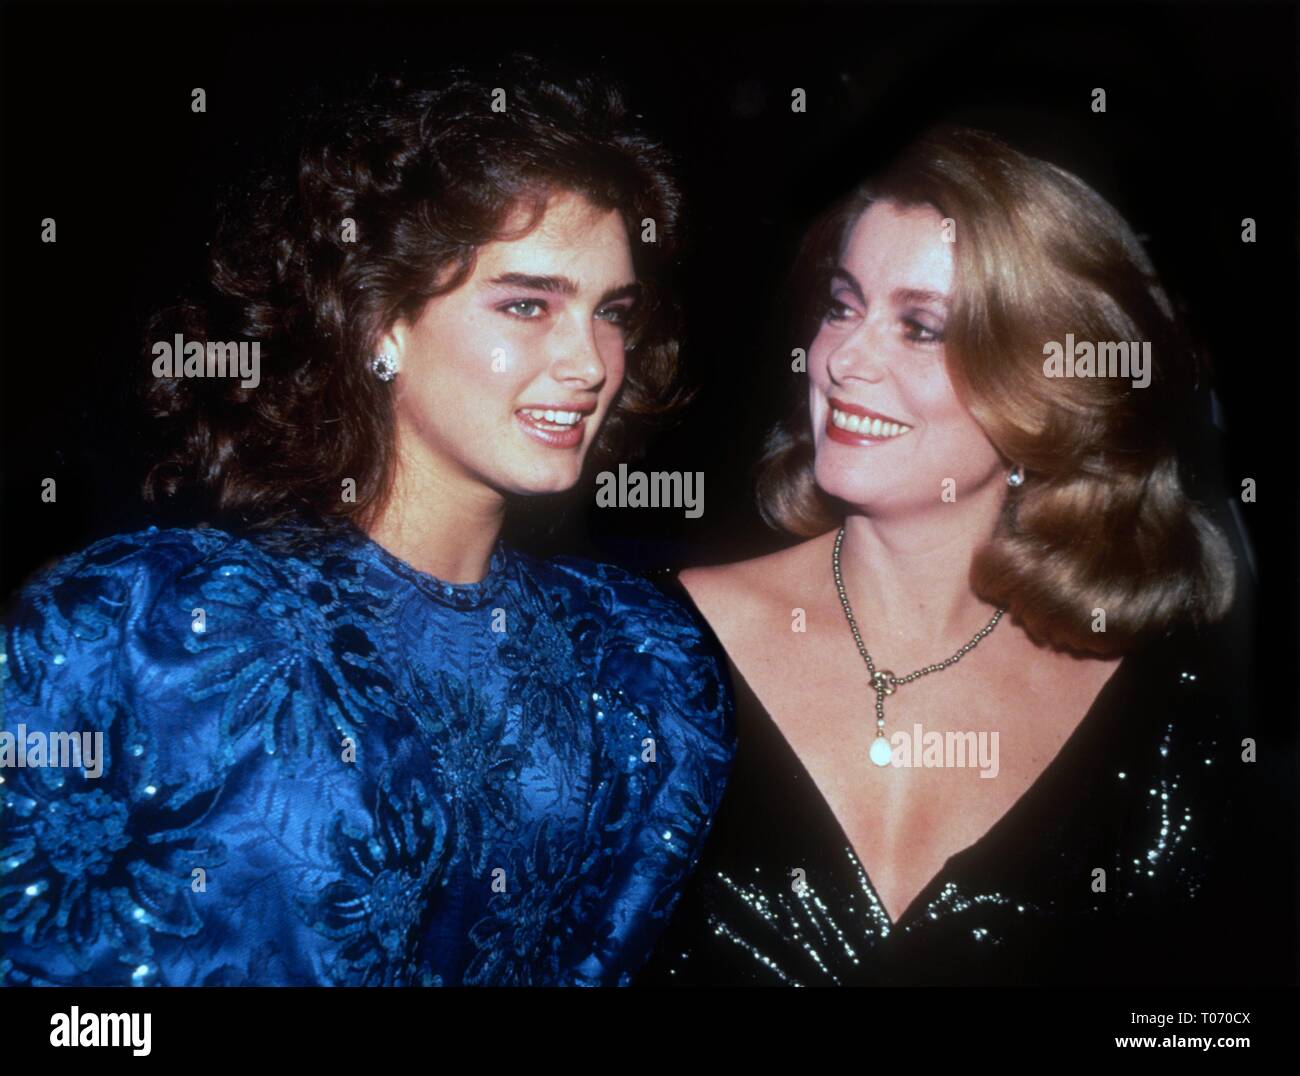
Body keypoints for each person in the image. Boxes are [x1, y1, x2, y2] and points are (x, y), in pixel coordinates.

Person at [0, 57, 734, 987]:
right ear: (382, 321)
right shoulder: (156, 629)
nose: (590, 362)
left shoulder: (633, 663)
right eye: (527, 304)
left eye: (612, 312)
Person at [638, 127, 1261, 986]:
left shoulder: (1162, 722)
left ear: (1044, 388)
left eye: (921, 327)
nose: (844, 360)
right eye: (843, 306)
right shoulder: (649, 652)